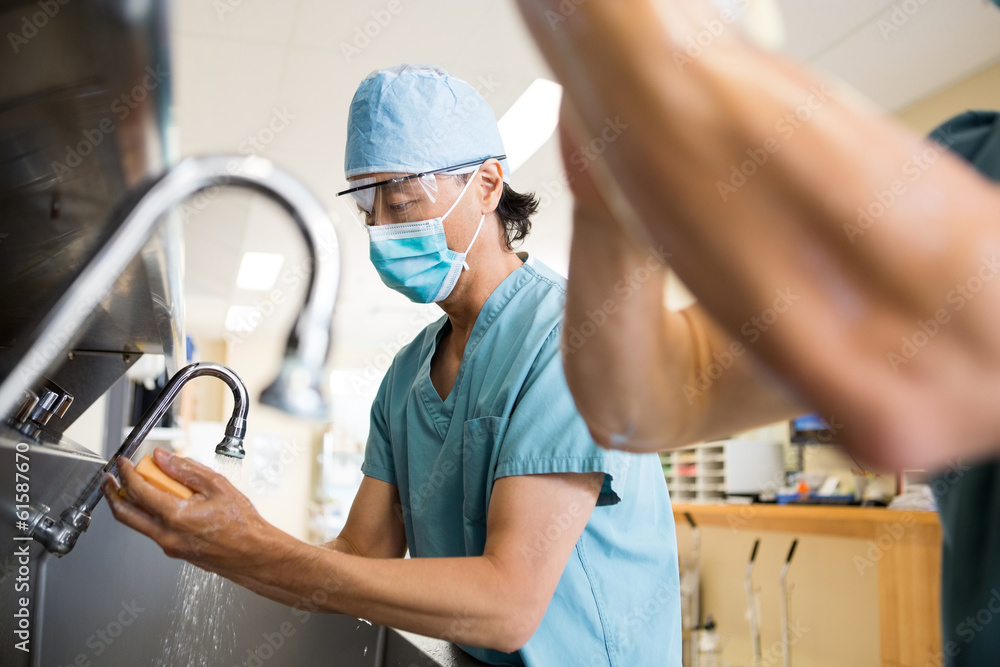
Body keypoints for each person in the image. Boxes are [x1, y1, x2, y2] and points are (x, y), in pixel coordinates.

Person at [103, 64, 680, 666]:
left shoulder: (568, 339)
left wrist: (253, 543)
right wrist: (213, 544)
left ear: (487, 185)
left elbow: (508, 605)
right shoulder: (407, 375)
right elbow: (360, 554)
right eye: (368, 210)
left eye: (401, 203)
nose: (381, 230)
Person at [512, 1, 1000, 664]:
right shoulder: (974, 156)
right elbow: (648, 404)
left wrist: (662, 59)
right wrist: (613, 193)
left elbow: (912, 375)